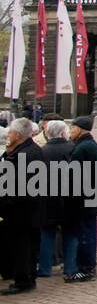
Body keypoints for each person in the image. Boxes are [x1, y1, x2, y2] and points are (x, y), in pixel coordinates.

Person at [0, 119, 45, 293]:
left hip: (22, 211)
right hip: (28, 209)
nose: (8, 135)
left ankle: (24, 280)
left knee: (23, 246)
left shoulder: (25, 154)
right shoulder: (29, 150)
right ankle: (26, 277)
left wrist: (7, 204)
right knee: (27, 245)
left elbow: (16, 186)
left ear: (18, 135)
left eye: (10, 133)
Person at [37, 120, 78, 279]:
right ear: (63, 133)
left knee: (47, 235)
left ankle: (45, 268)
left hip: (48, 199)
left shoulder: (42, 151)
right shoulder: (73, 149)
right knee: (71, 233)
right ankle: (70, 267)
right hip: (69, 199)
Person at [66, 117, 97, 282]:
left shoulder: (83, 148)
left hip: (83, 199)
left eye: (71, 128)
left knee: (85, 235)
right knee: (88, 233)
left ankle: (86, 269)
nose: (69, 132)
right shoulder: (90, 145)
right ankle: (87, 267)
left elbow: (74, 176)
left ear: (79, 129)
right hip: (90, 197)